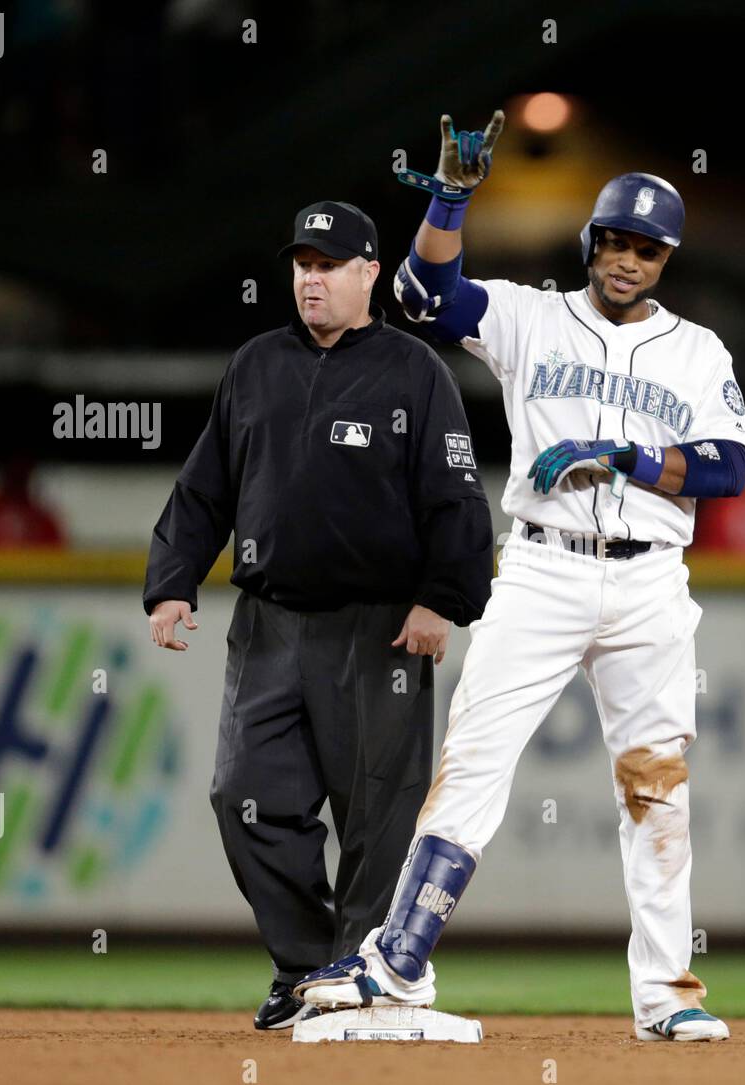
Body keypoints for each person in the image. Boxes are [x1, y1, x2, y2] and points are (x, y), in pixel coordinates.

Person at [294, 114, 745, 1042]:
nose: (629, 261)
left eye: (648, 250)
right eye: (617, 241)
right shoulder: (533, 316)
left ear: (666, 260)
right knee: (473, 763)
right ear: (592, 241)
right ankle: (398, 962)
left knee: (656, 789)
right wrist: (448, 200)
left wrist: (620, 454)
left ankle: (667, 996)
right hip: (543, 570)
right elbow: (426, 294)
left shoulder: (700, 352)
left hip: (651, 583)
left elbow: (728, 465)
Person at [142, 200, 493, 1030]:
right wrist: (172, 581)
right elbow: (205, 488)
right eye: (302, 264)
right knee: (244, 797)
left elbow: (456, 497)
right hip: (268, 624)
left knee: (378, 813)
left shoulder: (415, 371)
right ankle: (307, 968)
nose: (312, 278)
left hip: (380, 629)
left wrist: (444, 599)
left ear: (371, 272)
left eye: (330, 265)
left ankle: (361, 976)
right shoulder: (256, 365)